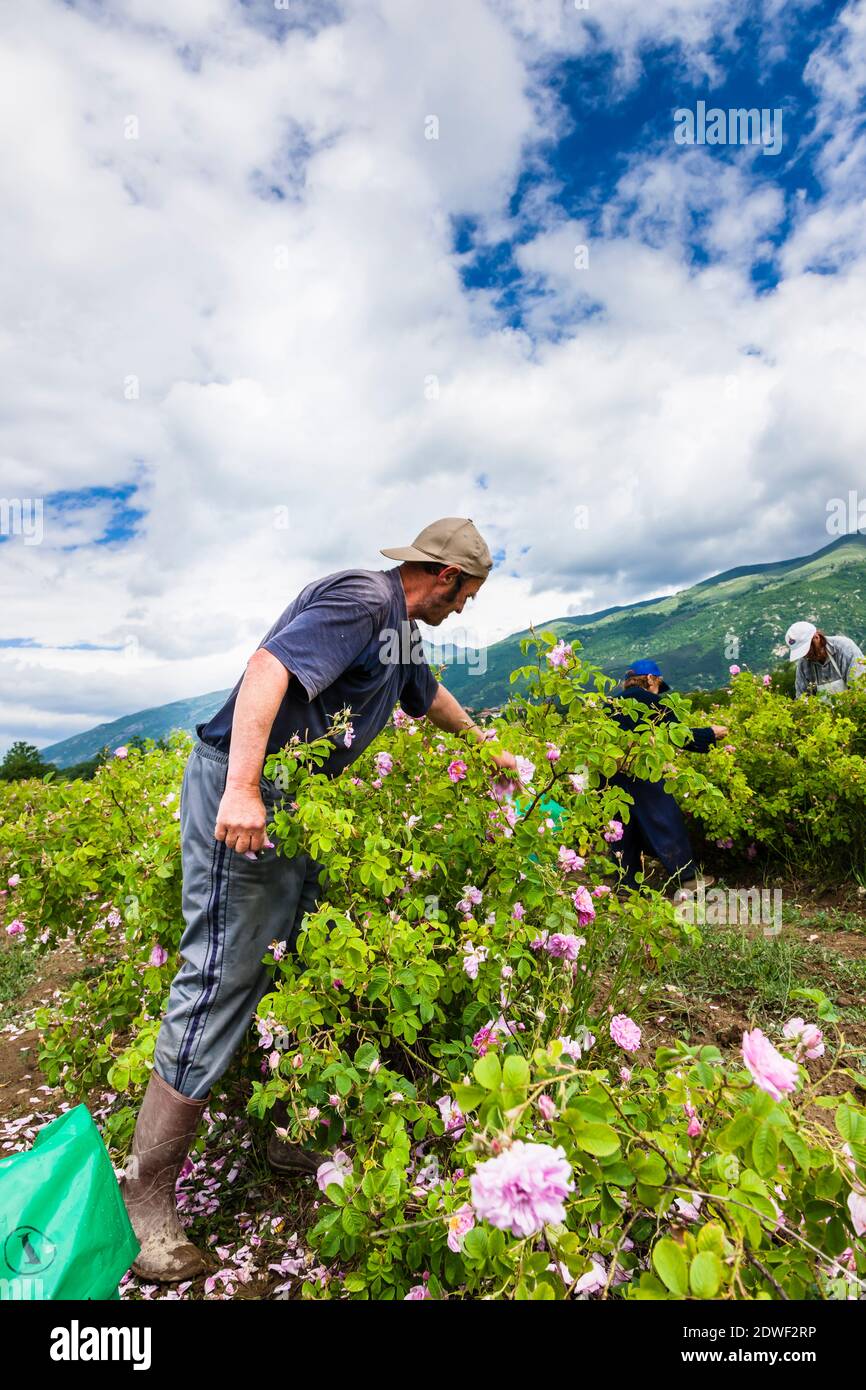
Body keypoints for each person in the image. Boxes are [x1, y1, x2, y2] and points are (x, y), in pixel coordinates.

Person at [121, 518, 517, 1283]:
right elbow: (268, 668)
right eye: (467, 595)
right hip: (252, 795)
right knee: (221, 977)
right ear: (444, 577)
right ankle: (146, 1201)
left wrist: (488, 749)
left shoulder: (399, 631)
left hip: (300, 803)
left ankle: (283, 1126)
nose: (465, 610)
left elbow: (427, 696)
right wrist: (242, 787)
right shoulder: (363, 601)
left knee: (292, 964)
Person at [609, 659, 727, 895]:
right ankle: (689, 879)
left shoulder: (609, 704)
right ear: (650, 679)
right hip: (642, 771)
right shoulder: (650, 702)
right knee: (666, 819)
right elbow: (679, 735)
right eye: (657, 685)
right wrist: (710, 734)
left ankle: (626, 886)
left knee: (623, 828)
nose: (657, 691)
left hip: (611, 774)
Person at [785, 622, 866, 699]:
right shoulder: (803, 663)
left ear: (816, 637)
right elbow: (802, 698)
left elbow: (859, 688)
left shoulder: (844, 648)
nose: (806, 655)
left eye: (807, 650)